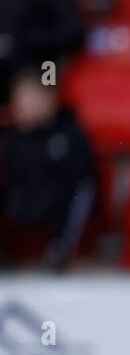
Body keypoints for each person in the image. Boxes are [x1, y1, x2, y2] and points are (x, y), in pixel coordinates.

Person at [0, 65, 94, 270]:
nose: (20, 104)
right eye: (18, 97)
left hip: (54, 208)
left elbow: (81, 182)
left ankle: (61, 249)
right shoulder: (14, 139)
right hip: (22, 206)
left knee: (80, 190)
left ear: (47, 98)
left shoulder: (70, 135)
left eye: (27, 96)